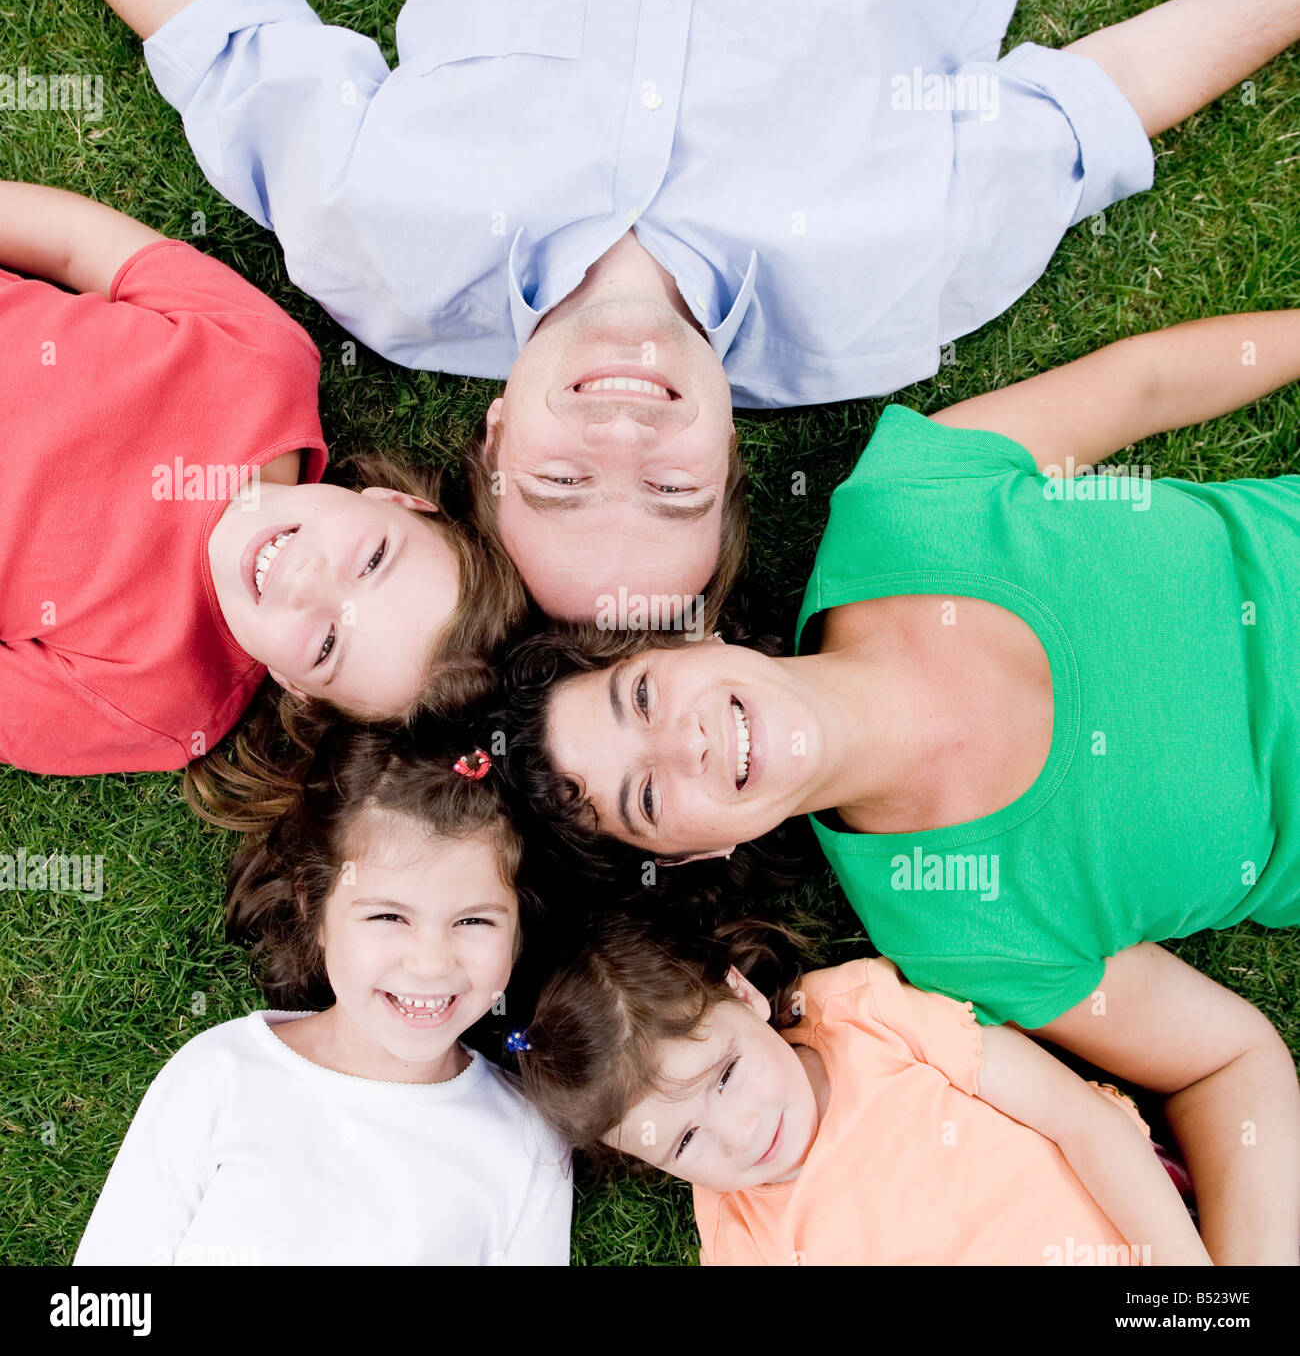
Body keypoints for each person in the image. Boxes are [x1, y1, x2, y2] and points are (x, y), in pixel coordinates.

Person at [70, 0, 1300, 619]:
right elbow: (1107, 96)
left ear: (494, 435)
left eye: (559, 479)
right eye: (672, 488)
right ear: (728, 453)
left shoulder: (372, 246)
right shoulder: (892, 281)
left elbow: (216, 31)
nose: (622, 433)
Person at [496, 306, 1300, 1264]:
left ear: (685, 636)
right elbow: (1225, 1061)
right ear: (698, 854)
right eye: (647, 800)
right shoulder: (958, 931)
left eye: (640, 698)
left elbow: (1145, 385)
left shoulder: (904, 503)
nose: (685, 746)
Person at [0, 180, 524, 776]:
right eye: (373, 559)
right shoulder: (264, 357)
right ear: (397, 502)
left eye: (327, 646)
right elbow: (74, 245)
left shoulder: (151, 705)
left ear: (297, 688)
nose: (308, 582)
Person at [75, 721, 572, 1265]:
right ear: (315, 912)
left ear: (519, 930)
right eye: (388, 916)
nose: (431, 963)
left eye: (474, 921)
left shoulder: (528, 1139)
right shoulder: (222, 1075)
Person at [517, 915, 1210, 1266]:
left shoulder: (865, 1017)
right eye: (686, 1141)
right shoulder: (740, 1234)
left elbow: (1081, 1122)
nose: (740, 1132)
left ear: (743, 992)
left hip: (1131, 1228)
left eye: (726, 1076)